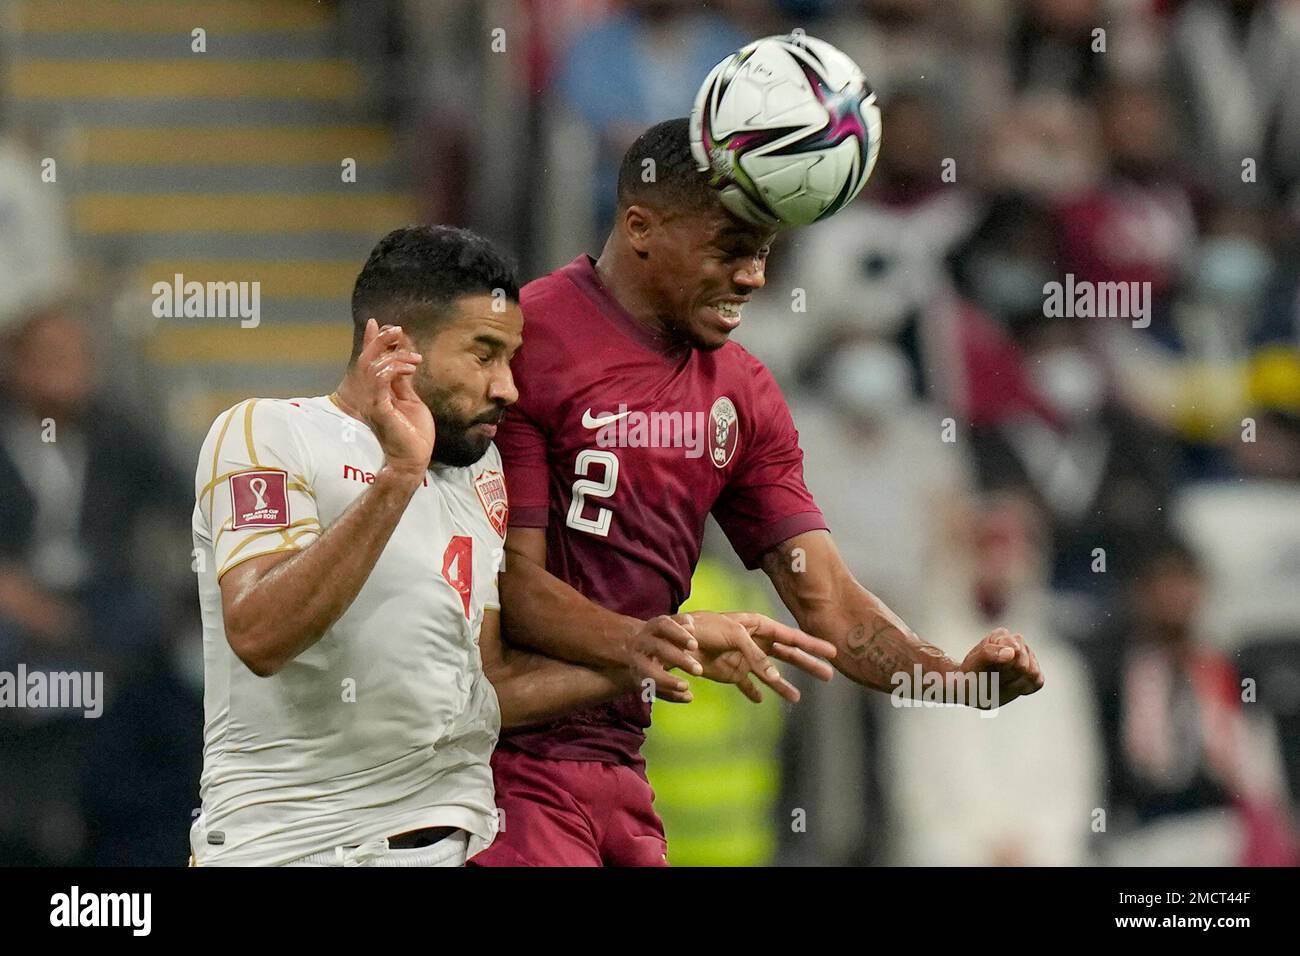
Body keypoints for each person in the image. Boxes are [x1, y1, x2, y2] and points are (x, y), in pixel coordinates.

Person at [473, 119, 1045, 867]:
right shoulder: (524, 340)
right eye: (730, 252)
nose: (754, 279)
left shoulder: (741, 392)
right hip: (497, 767)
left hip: (622, 771)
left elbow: (829, 604)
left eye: (764, 255)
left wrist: (953, 681)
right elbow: (509, 583)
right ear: (641, 228)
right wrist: (652, 639)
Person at [189, 226, 660, 866]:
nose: (508, 387)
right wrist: (398, 480)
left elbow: (482, 686)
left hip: (455, 844)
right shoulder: (266, 432)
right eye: (484, 353)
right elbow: (259, 634)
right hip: (296, 849)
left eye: (512, 359)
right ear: (394, 345)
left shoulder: (479, 475)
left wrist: (648, 654)